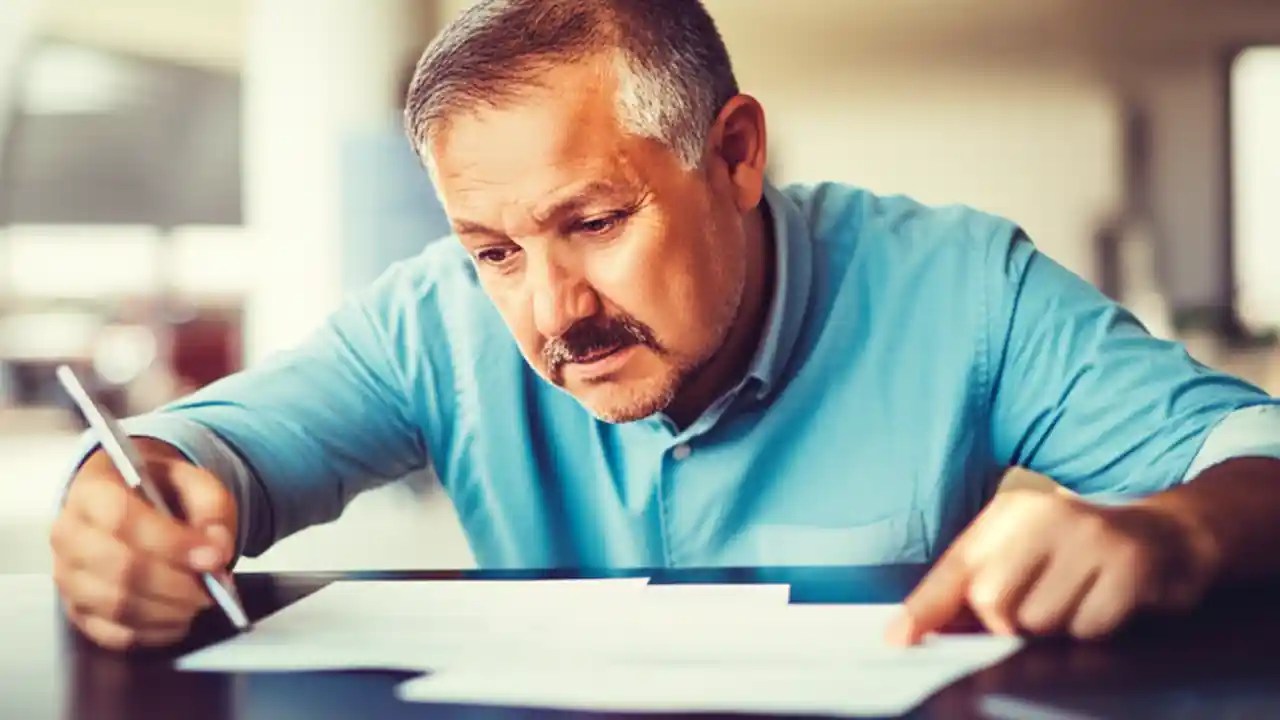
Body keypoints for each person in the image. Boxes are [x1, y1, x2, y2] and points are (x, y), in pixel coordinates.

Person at [51, 0, 1280, 652]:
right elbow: (208, 450)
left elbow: (1252, 460)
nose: (551, 311)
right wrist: (137, 498)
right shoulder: (433, 315)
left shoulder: (962, 287)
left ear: (733, 153)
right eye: (495, 250)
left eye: (591, 221)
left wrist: (1168, 535)